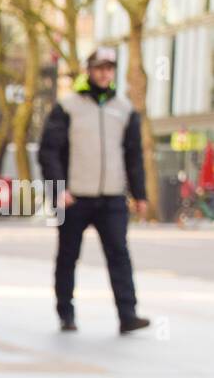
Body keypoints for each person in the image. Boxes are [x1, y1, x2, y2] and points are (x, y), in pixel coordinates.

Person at [37, 46, 149, 334]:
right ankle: (66, 313)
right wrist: (58, 189)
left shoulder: (124, 110)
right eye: (99, 68)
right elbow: (49, 151)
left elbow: (133, 155)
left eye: (109, 68)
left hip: (111, 197)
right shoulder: (68, 107)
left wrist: (140, 195)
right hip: (74, 197)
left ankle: (128, 314)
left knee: (119, 254)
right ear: (89, 70)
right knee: (67, 256)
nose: (104, 73)